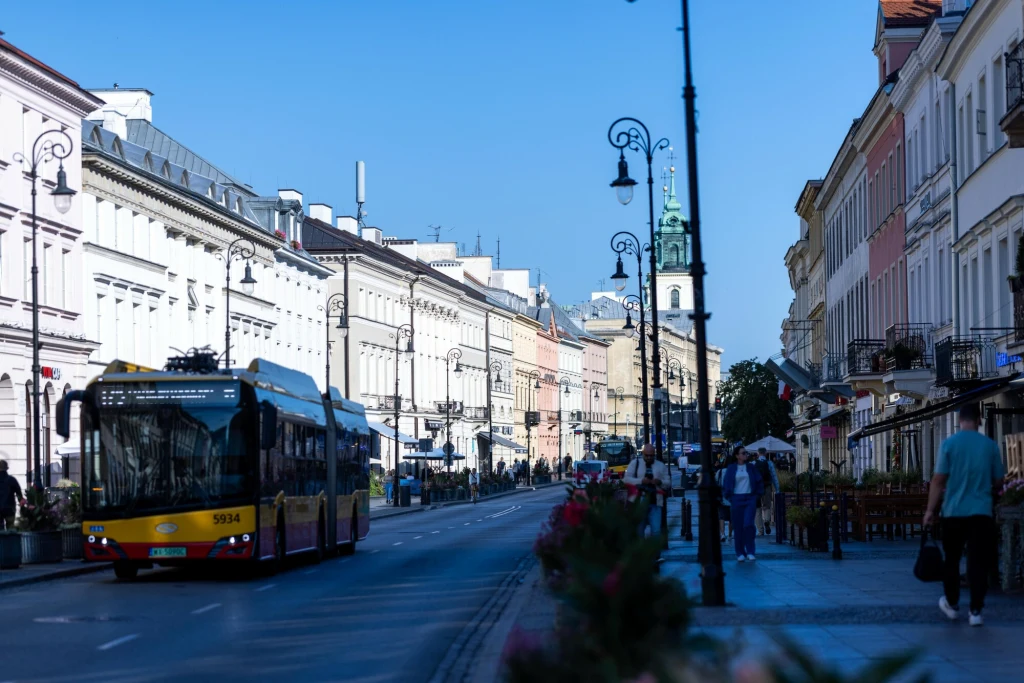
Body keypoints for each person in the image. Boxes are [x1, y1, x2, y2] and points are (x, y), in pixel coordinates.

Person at [924, 402, 1003, 627]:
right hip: (981, 512)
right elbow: (999, 480)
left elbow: (938, 481)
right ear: (979, 419)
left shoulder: (949, 445)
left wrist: (930, 511)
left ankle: (952, 603)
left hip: (953, 512)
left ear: (959, 420)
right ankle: (976, 611)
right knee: (978, 562)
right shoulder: (990, 446)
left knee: (952, 560)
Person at [722, 445, 764, 562]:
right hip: (736, 498)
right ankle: (740, 552)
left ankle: (750, 551)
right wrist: (730, 497)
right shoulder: (731, 468)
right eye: (743, 453)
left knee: (748, 524)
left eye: (746, 453)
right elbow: (726, 483)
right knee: (738, 526)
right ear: (737, 456)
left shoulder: (751, 467)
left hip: (749, 498)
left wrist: (756, 495)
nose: (746, 455)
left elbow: (759, 480)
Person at [624, 444, 669, 540]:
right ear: (643, 454)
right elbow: (626, 479)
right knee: (639, 530)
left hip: (655, 502)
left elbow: (668, 483)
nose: (649, 458)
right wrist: (641, 481)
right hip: (639, 501)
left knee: (656, 531)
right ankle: (642, 553)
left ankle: (656, 554)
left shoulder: (660, 466)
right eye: (647, 455)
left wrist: (659, 482)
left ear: (654, 455)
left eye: (651, 455)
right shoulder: (635, 463)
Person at [754, 448, 781, 536]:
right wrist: (777, 489)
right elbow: (774, 477)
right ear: (765, 453)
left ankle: (760, 530)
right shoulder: (769, 463)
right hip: (767, 487)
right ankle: (766, 521)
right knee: (767, 506)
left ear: (757, 453)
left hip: (756, 489)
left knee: (757, 509)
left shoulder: (753, 463)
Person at [0, 460, 24, 530]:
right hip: (10, 508)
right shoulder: (12, 480)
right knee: (10, 529)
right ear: (7, 468)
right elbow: (19, 494)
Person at [715, 459, 733, 543]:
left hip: (722, 498)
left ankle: (722, 534)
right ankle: (730, 534)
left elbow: (715, 483)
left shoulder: (720, 472)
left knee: (721, 517)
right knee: (731, 518)